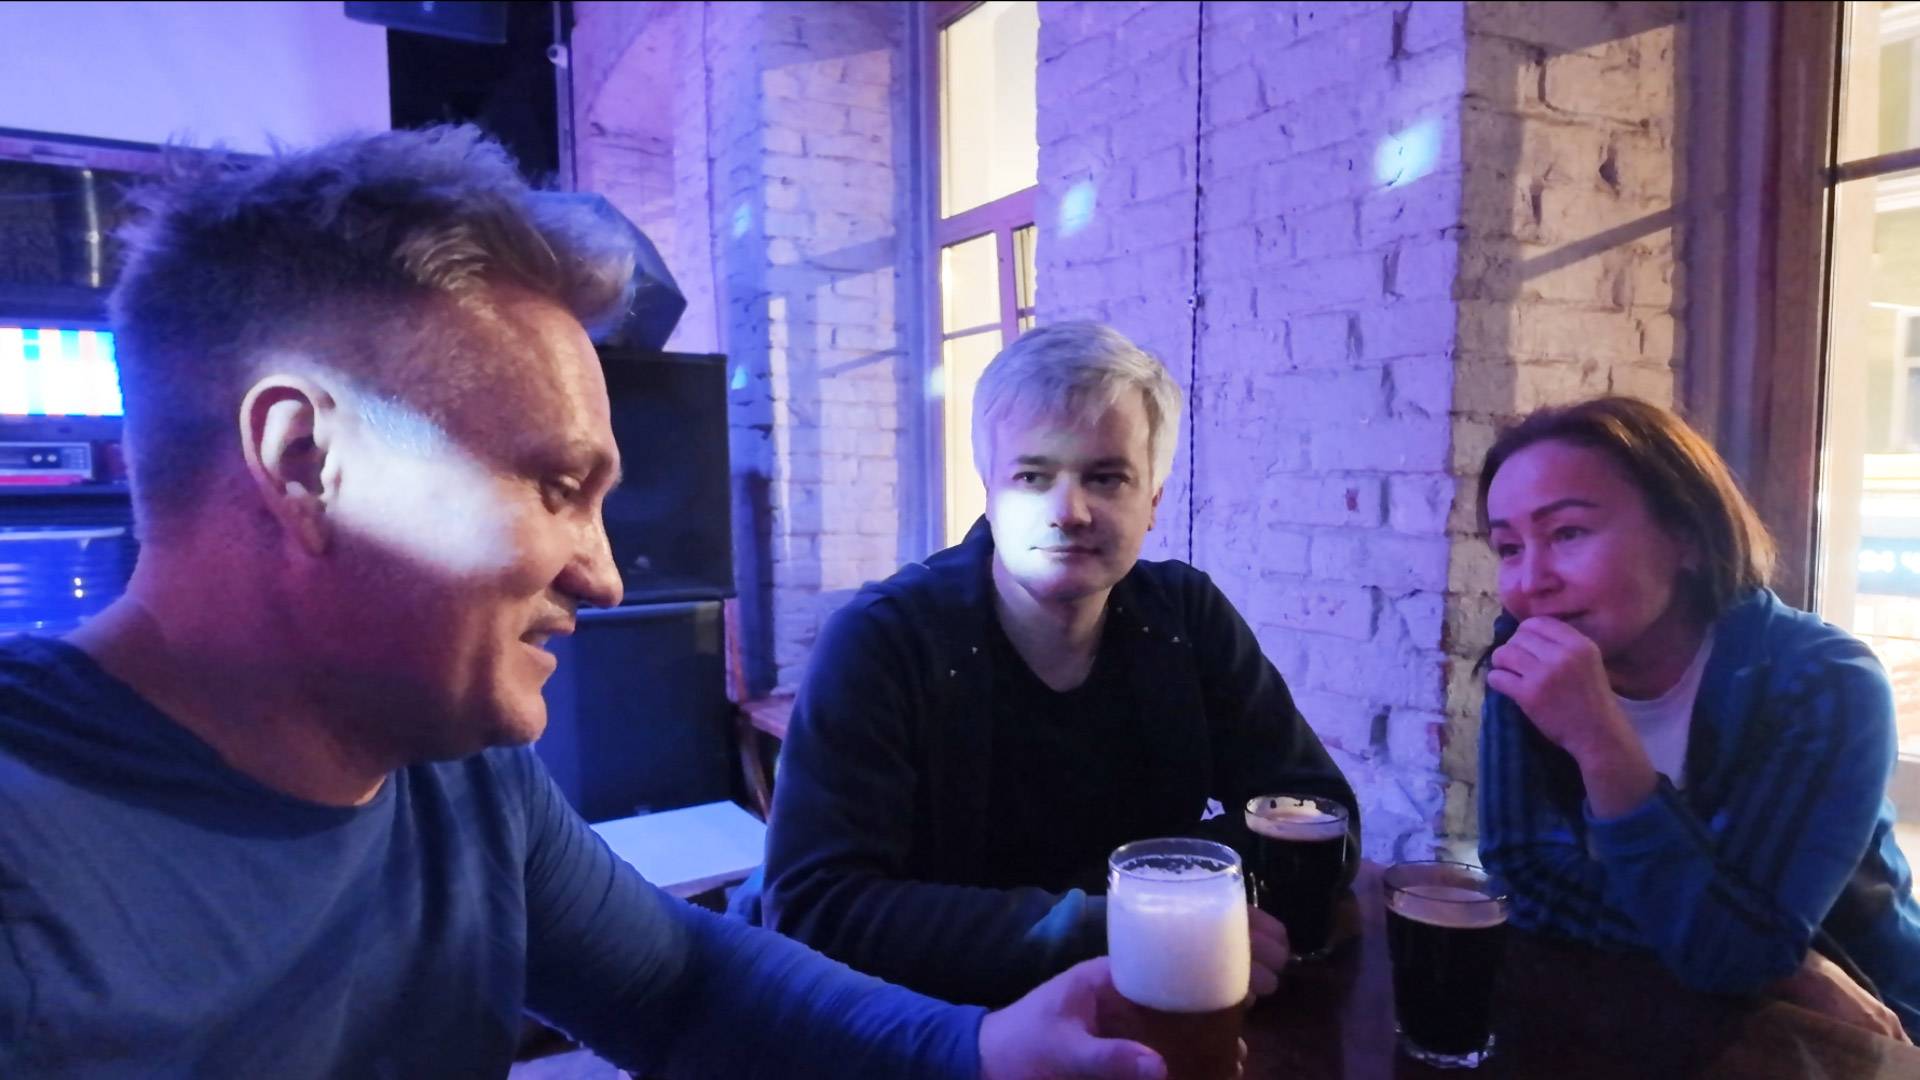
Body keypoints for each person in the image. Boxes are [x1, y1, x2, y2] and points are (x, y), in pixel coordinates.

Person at [0, 127, 1172, 1080]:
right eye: (556, 489)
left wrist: (977, 1051)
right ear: (306, 462)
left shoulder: (455, 771)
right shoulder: (30, 867)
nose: (604, 577)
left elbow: (681, 983)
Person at [752, 321, 1359, 1006]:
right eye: (1032, 476)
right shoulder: (884, 640)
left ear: (1153, 501)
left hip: (1151, 1012)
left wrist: (1150, 919)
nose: (1068, 511)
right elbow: (815, 909)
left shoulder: (1185, 619)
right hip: (939, 1029)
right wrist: (1134, 926)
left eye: (1106, 477)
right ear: (989, 490)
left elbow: (1318, 816)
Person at [1477, 395, 1920, 1042]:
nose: (1531, 581)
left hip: (1857, 1035)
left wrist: (1600, 742)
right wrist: (1791, 966)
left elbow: (1736, 956)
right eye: (1509, 547)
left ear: (1686, 536)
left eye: (1568, 533)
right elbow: (1526, 879)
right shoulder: (1529, 653)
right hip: (1645, 1011)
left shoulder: (1822, 682)